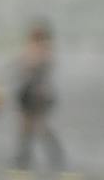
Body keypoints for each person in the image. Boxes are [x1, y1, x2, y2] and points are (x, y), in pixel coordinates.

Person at [11, 21, 64, 171]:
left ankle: (55, 153)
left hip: (39, 93)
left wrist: (30, 64)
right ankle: (23, 156)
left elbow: (40, 68)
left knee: (39, 126)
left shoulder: (45, 50)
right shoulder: (31, 49)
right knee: (25, 125)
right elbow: (18, 65)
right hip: (27, 91)